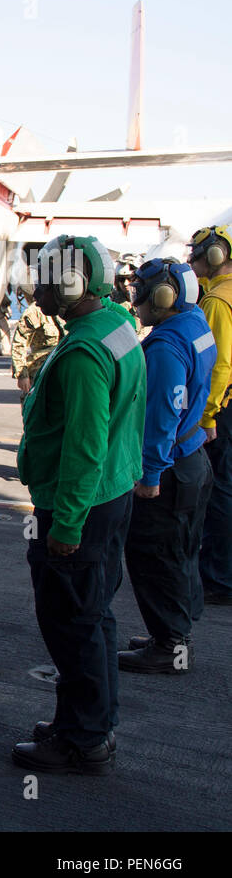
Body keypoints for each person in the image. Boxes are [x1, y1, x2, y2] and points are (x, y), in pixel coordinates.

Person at [11, 234, 145, 775]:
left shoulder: (85, 351)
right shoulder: (115, 325)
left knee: (71, 621)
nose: (35, 288)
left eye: (44, 278)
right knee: (95, 617)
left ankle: (84, 739)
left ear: (69, 283)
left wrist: (65, 524)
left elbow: (85, 445)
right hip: (112, 496)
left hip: (80, 509)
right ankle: (87, 720)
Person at [118, 259, 214, 673]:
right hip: (194, 459)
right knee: (183, 550)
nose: (135, 298)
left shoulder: (165, 346)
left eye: (142, 289)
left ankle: (170, 648)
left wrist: (150, 476)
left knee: (155, 556)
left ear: (165, 295)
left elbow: (161, 417)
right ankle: (173, 632)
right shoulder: (196, 324)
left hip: (170, 468)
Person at [192, 225, 232, 608]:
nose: (194, 260)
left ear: (217, 255)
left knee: (219, 492)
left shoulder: (218, 301)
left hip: (225, 408)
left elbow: (218, 366)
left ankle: (219, 578)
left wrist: (207, 416)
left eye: (200, 253)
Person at [10, 286, 64, 403]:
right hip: (39, 371)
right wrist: (22, 374)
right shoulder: (35, 311)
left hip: (62, 371)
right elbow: (19, 342)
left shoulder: (67, 309)